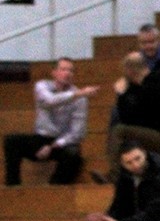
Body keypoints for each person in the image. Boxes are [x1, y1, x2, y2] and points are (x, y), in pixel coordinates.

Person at [4, 57, 97, 186]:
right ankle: (13, 187)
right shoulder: (42, 86)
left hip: (61, 142)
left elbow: (77, 133)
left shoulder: (80, 97)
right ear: (54, 73)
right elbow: (50, 101)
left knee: (74, 155)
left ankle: (54, 187)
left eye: (71, 70)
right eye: (63, 69)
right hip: (41, 138)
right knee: (11, 141)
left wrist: (53, 145)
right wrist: (76, 95)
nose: (68, 73)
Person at [105, 52, 160, 178]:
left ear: (130, 71)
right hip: (156, 134)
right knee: (117, 121)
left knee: (119, 131)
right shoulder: (141, 87)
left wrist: (122, 95)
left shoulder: (156, 86)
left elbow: (133, 120)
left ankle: (116, 176)